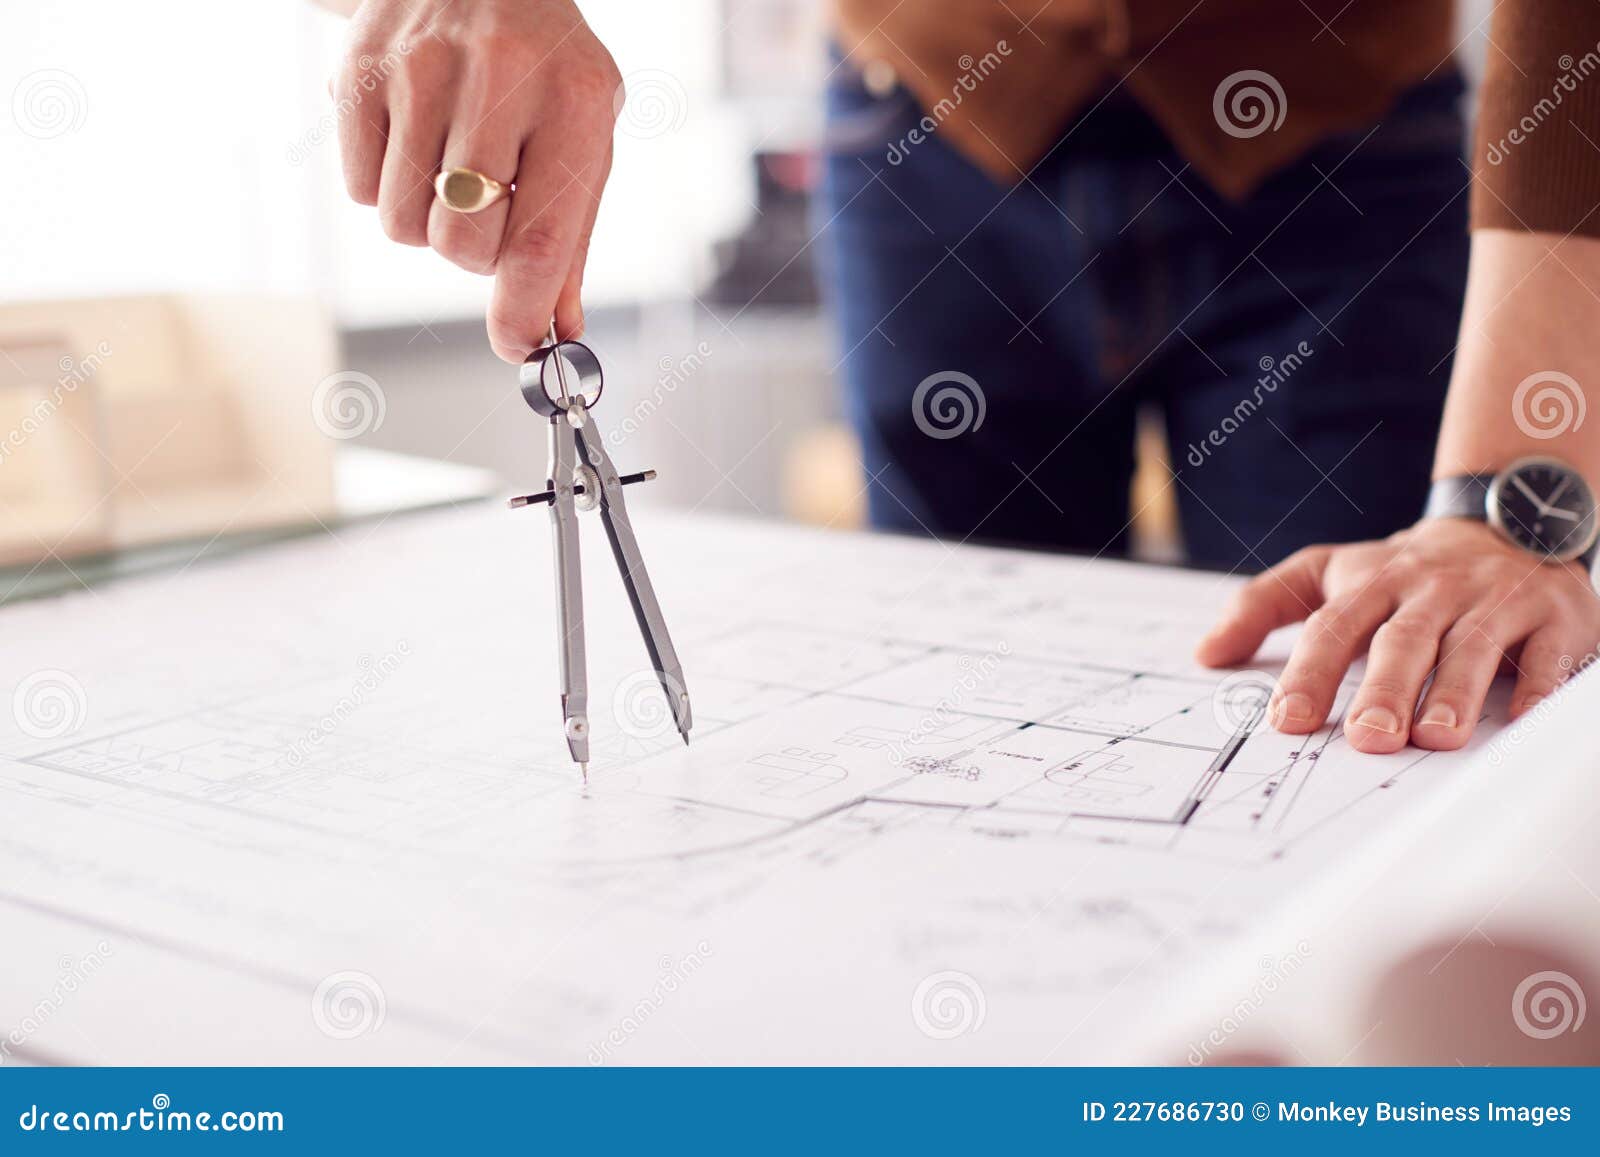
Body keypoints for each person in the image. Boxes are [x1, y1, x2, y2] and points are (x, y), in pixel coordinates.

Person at [310, 0, 1600, 756]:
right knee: (971, 746)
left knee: (1380, 709)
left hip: (1344, 143)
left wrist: (1509, 498)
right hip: (919, 124)